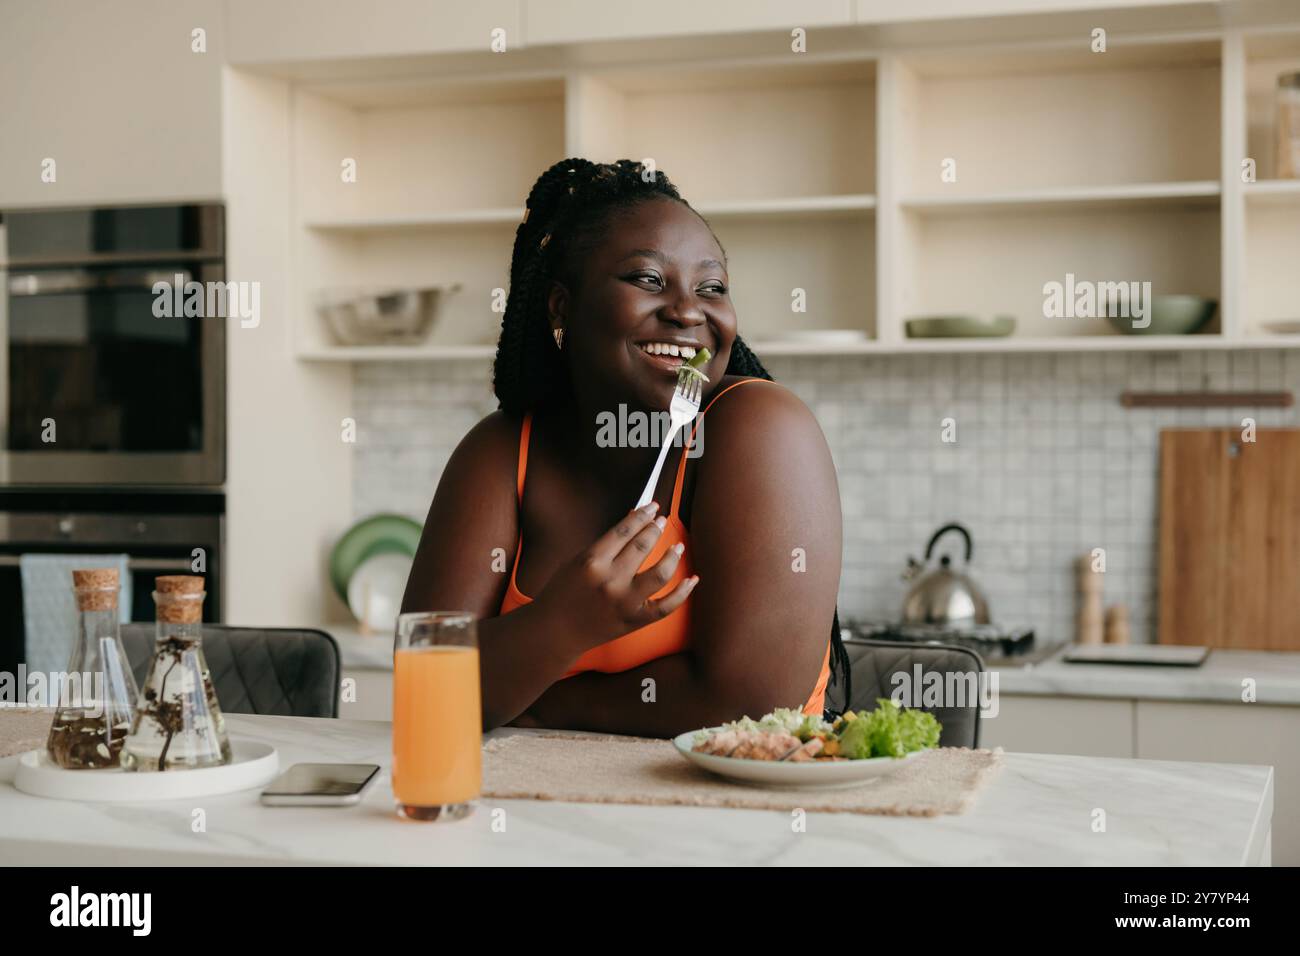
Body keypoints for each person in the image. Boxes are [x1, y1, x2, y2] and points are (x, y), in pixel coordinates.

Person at [401, 158, 848, 736]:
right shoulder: (499, 451)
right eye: (647, 279)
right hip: (536, 813)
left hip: (739, 815)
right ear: (562, 306)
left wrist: (542, 699)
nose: (689, 310)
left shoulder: (761, 427)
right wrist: (563, 623)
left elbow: (753, 706)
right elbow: (424, 685)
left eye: (712, 287)